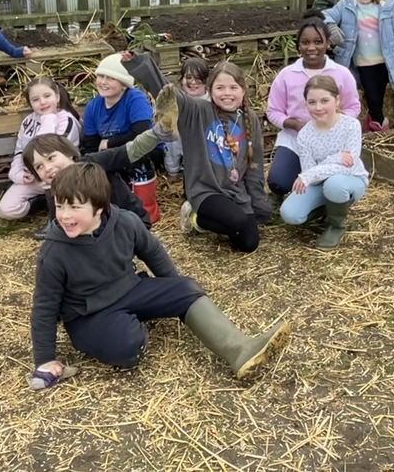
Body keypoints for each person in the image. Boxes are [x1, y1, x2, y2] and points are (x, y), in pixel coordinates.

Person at [27, 162, 290, 389]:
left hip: (130, 289)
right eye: (60, 206)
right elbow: (45, 306)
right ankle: (128, 328)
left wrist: (172, 292)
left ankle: (239, 350)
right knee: (128, 348)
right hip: (89, 315)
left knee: (185, 289)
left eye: (74, 207)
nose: (65, 216)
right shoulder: (54, 251)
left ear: (99, 207)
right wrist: (44, 359)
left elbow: (153, 253)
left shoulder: (125, 222)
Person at [153, 62, 271, 253]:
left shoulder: (250, 118)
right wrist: (141, 65)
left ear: (243, 90)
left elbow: (254, 167)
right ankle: (195, 216)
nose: (227, 93)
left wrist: (258, 204)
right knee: (236, 221)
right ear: (209, 90)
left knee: (249, 244)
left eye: (233, 87)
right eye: (220, 88)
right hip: (206, 190)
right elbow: (170, 95)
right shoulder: (198, 111)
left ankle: (212, 220)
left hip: (234, 191)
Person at [265, 15, 360, 198]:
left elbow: (353, 108)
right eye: (305, 42)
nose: (311, 48)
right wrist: (294, 125)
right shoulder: (287, 75)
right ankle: (291, 191)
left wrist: (336, 122)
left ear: (327, 43)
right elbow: (273, 111)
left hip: (332, 142)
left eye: (318, 42)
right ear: (298, 45)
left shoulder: (342, 74)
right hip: (295, 140)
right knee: (278, 182)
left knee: (333, 183)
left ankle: (331, 202)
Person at [280, 76, 369, 248]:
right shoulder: (305, 134)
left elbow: (348, 167)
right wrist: (335, 159)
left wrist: (311, 173)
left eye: (324, 101)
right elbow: (310, 173)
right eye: (312, 102)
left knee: (334, 184)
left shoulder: (351, 126)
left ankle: (336, 225)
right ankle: (330, 207)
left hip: (350, 180)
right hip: (319, 183)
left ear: (337, 101)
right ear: (306, 104)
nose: (318, 107)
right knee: (290, 214)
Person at [323, 0, 394, 128]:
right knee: (372, 95)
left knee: (379, 93)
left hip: (384, 60)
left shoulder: (387, 8)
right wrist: (331, 27)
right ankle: (380, 125)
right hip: (363, 61)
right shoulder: (345, 6)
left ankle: (372, 121)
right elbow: (325, 15)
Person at [22, 127, 162, 229]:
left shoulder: (94, 163)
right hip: (95, 233)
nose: (47, 168)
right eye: (39, 167)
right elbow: (58, 226)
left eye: (51, 158)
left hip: (130, 223)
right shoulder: (55, 190)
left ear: (69, 154)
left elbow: (131, 151)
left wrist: (157, 133)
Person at [81, 53, 160, 223]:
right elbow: (91, 143)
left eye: (110, 78)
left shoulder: (135, 98)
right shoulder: (93, 106)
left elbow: (141, 131)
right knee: (100, 165)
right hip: (115, 153)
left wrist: (110, 143)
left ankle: (146, 211)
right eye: (101, 76)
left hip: (144, 149)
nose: (103, 82)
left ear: (124, 84)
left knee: (138, 160)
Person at [0, 78, 81, 221]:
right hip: (34, 176)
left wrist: (48, 119)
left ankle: (54, 211)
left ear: (57, 96)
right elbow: (20, 150)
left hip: (60, 174)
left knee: (67, 202)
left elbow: (45, 150)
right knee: (6, 210)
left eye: (47, 96)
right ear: (30, 103)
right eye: (35, 99)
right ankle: (41, 202)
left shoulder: (66, 120)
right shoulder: (28, 121)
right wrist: (18, 173)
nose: (42, 102)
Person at [163, 58, 209, 178]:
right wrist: (172, 170)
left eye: (198, 78)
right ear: (181, 79)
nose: (193, 82)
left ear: (206, 80)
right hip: (188, 164)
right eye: (188, 77)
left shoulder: (215, 103)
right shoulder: (175, 106)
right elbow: (172, 142)